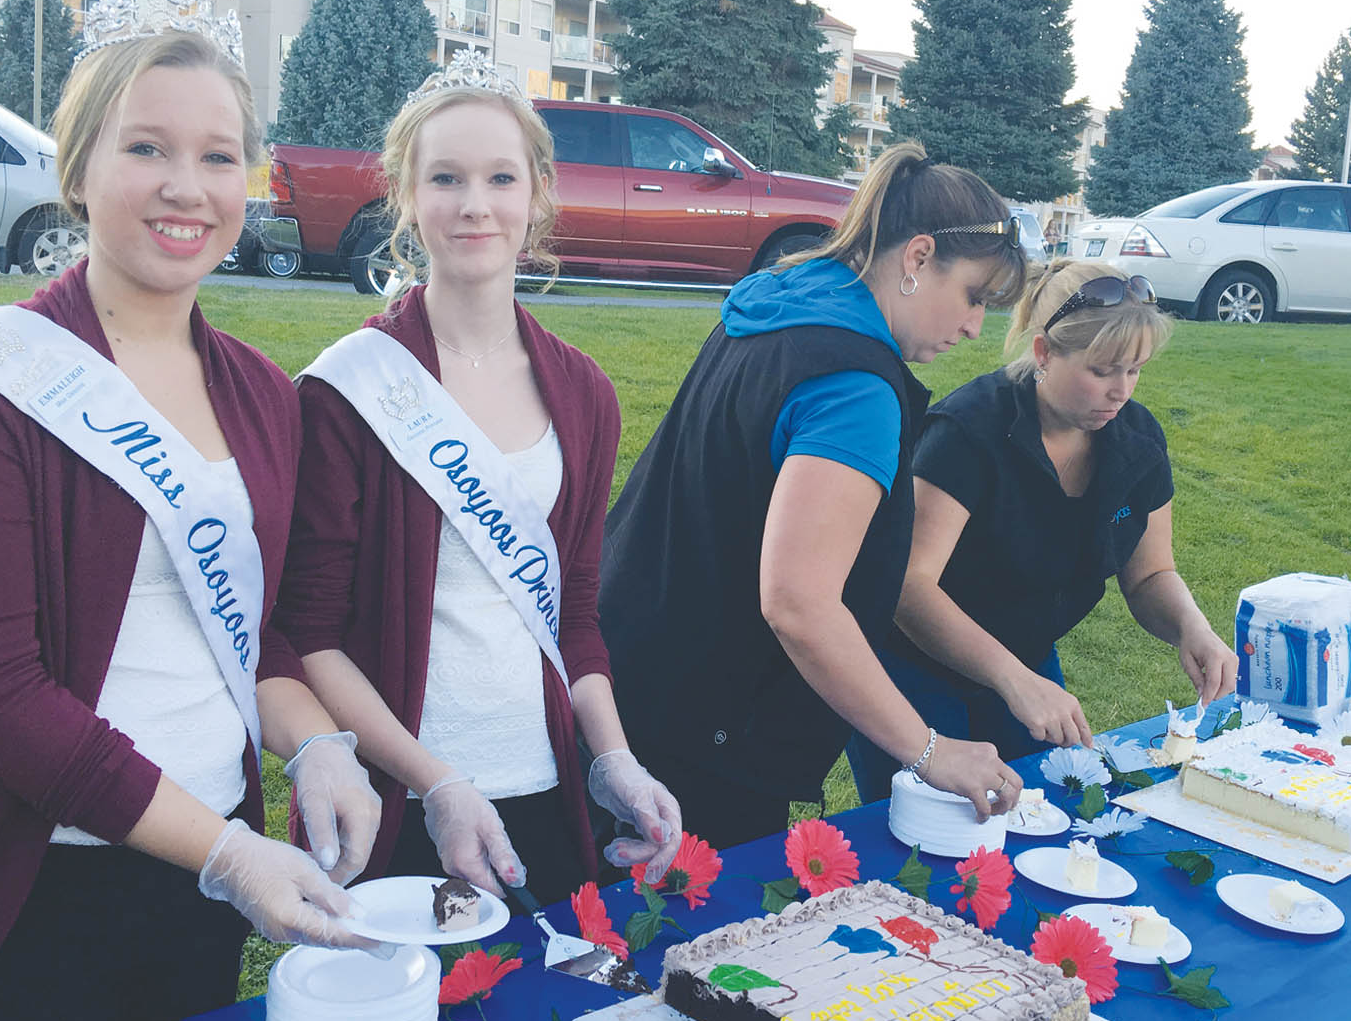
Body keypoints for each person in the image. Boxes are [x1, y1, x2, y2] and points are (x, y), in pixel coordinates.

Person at [0, 0, 383, 1021]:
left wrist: (322, 745)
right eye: (147, 147)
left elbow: (261, 630)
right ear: (78, 165)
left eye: (219, 155)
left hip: (186, 892)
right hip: (15, 900)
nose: (187, 188)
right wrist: (233, 850)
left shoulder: (258, 393)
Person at [276, 50, 681, 907]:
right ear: (406, 195)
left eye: (500, 177)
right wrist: (437, 782)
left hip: (541, 788)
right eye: (446, 178)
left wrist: (612, 759)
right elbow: (310, 634)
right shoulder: (350, 389)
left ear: (536, 193)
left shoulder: (585, 394)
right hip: (400, 799)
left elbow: (571, 608)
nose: (474, 205)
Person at [600, 140, 1029, 852]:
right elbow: (798, 604)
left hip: (629, 677)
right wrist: (931, 749)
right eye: (975, 296)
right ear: (918, 258)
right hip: (704, 735)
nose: (976, 326)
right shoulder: (854, 385)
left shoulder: (780, 302)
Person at [862, 260, 1236, 792]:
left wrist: (1190, 627)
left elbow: (1151, 574)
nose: (1121, 391)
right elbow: (908, 587)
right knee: (928, 841)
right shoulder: (969, 432)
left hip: (1027, 659)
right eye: (1102, 370)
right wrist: (1014, 680)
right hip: (910, 668)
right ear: (1043, 353)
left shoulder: (1139, 442)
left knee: (1041, 813)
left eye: (1135, 369)